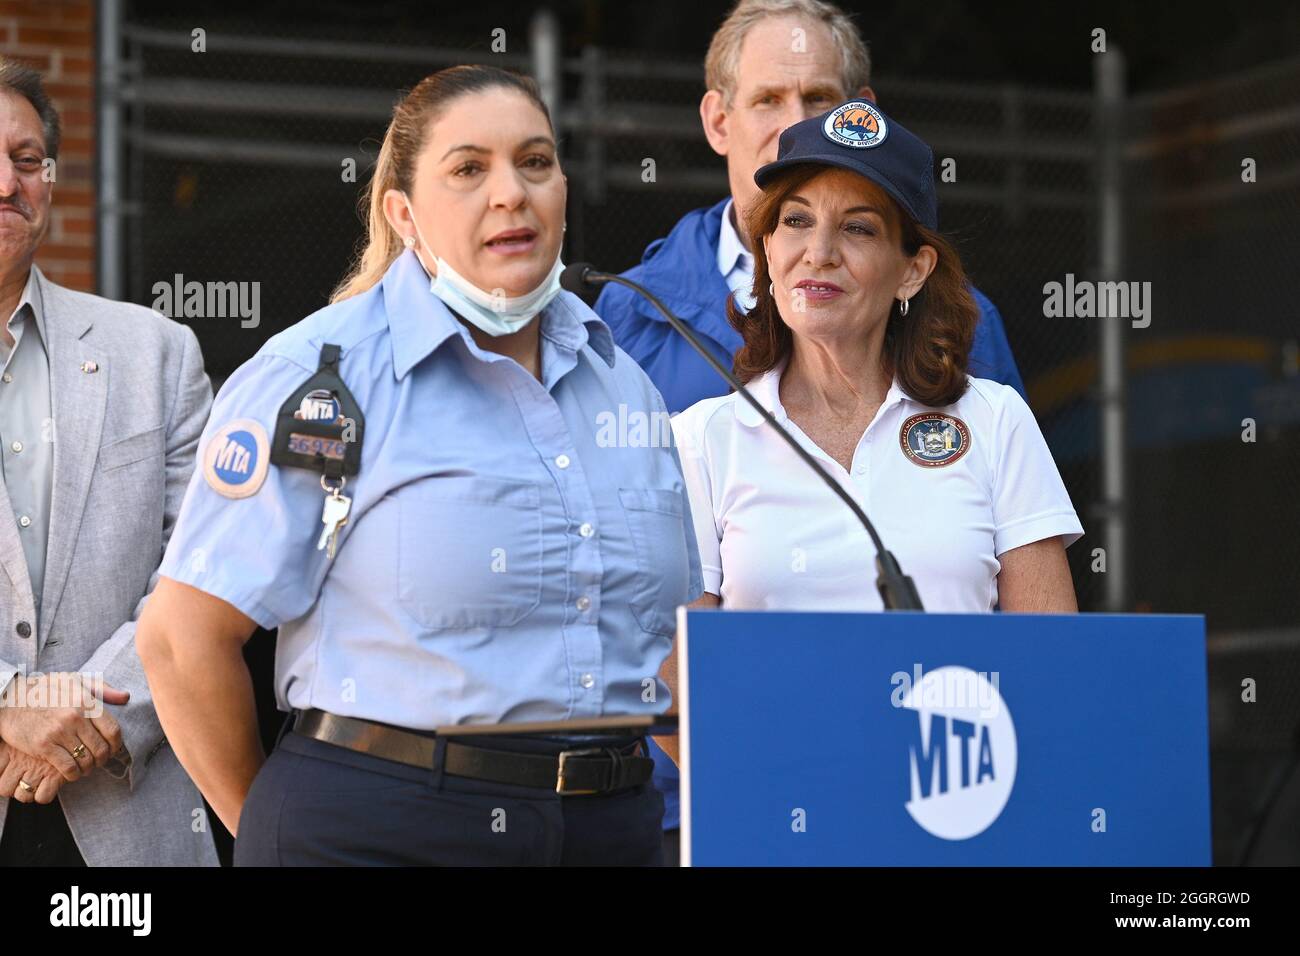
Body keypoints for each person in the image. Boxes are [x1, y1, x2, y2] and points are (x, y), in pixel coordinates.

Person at [136, 64, 702, 867]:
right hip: (380, 832)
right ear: (403, 212)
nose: (511, 192)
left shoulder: (624, 380)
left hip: (608, 827)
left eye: (535, 162)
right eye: (469, 169)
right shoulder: (325, 380)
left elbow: (670, 647)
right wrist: (275, 832)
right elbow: (182, 640)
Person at [595, 0, 1026, 866]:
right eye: (768, 100)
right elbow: (635, 612)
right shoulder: (628, 317)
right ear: (718, 118)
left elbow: (1017, 594)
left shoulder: (971, 345)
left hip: (948, 807)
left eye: (819, 101)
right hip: (703, 807)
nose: (793, 126)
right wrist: (764, 778)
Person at [663, 98, 1082, 711]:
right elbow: (679, 683)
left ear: (913, 270)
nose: (820, 252)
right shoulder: (702, 440)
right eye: (796, 221)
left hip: (958, 790)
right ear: (768, 250)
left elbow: (1054, 664)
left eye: (858, 227)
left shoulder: (995, 421)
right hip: (775, 796)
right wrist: (757, 796)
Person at [0, 59, 217, 866]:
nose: (6, 183)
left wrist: (82, 727)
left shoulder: (155, 351)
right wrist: (6, 704)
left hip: (124, 809)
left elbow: (200, 573)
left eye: (27, 161)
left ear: (50, 180)